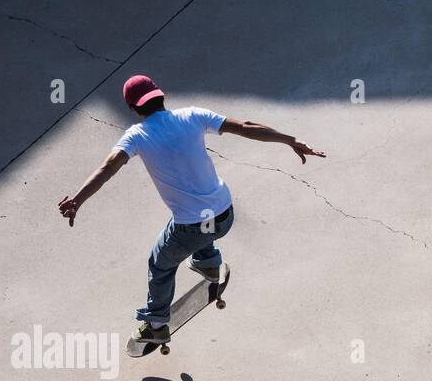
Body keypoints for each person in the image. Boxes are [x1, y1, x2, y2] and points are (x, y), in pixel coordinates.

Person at [58, 74, 324, 352]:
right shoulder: (192, 115)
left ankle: (156, 324)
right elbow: (245, 127)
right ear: (162, 97)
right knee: (193, 221)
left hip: (193, 227)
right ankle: (208, 262)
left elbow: (107, 168)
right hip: (225, 215)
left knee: (160, 263)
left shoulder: (137, 135)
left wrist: (78, 199)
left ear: (133, 109)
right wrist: (290, 139)